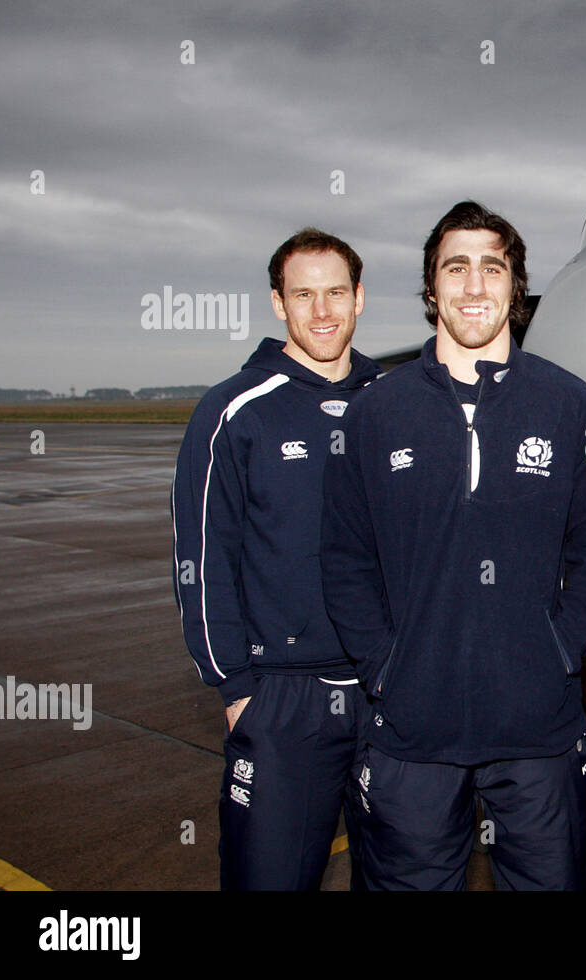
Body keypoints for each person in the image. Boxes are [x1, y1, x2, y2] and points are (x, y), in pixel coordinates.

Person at [320, 200, 586, 890]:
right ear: (432, 288)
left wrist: (559, 651)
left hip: (539, 732)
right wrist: (386, 667)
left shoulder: (570, 405)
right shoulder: (375, 412)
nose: (475, 285)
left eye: (494, 267)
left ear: (517, 287)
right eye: (455, 268)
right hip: (409, 732)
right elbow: (345, 560)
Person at [172, 227, 380, 889]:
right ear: (278, 303)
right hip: (284, 700)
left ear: (360, 299)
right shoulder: (233, 411)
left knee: (406, 876)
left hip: (389, 696)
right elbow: (202, 557)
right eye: (304, 294)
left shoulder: (393, 407)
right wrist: (235, 690)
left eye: (336, 293)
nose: (322, 311)